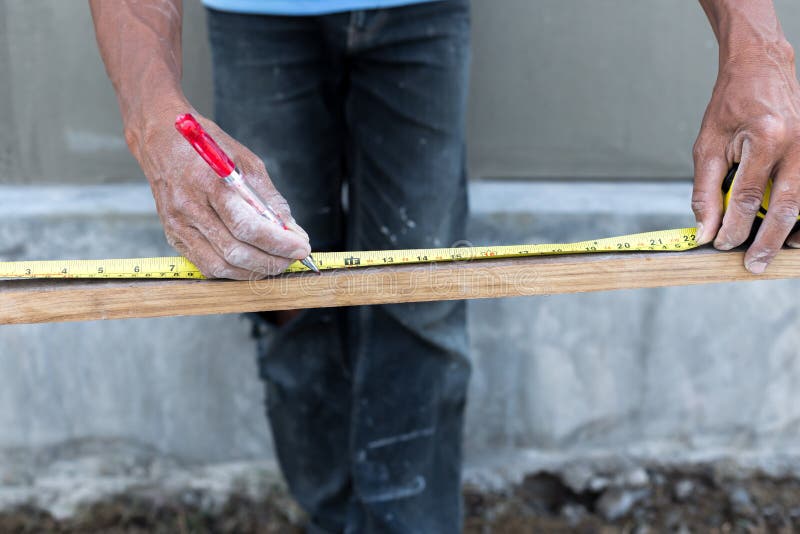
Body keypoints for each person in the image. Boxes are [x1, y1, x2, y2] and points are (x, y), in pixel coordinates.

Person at [88, 0, 800, 532]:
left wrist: (756, 44)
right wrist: (150, 110)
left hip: (422, 12)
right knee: (277, 292)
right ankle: (333, 519)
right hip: (255, 15)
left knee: (422, 303)